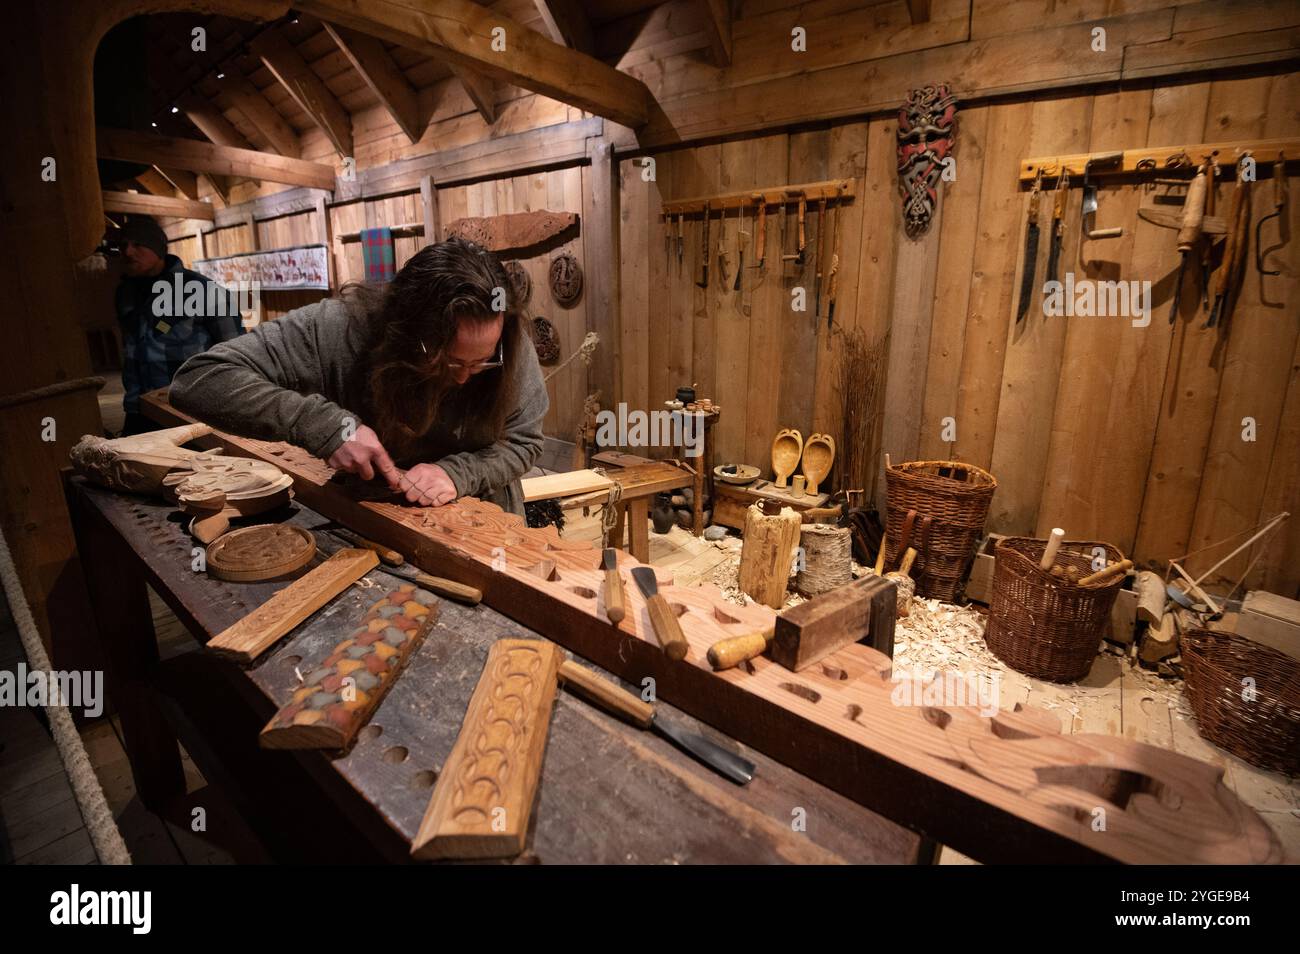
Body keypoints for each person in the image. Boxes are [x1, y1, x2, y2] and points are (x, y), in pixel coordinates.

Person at [169, 237, 548, 516]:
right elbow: (199, 379)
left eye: (480, 362)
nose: (465, 378)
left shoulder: (507, 341)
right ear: (400, 332)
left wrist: (458, 473)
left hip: (486, 525)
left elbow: (524, 442)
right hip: (368, 519)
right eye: (448, 363)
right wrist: (324, 426)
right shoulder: (340, 328)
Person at [114, 216, 243, 435]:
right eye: (123, 245)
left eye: (138, 244)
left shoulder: (201, 290)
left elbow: (237, 350)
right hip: (139, 411)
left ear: (157, 248)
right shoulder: (125, 293)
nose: (128, 252)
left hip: (193, 411)